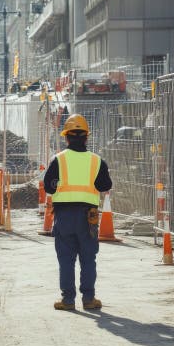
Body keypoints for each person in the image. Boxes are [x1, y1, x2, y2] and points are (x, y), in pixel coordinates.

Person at [43, 114, 112, 310]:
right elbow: (106, 185)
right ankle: (89, 299)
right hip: (88, 216)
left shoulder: (58, 160)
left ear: (66, 137)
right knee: (88, 258)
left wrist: (59, 184)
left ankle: (68, 300)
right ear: (86, 137)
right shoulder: (97, 161)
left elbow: (49, 187)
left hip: (64, 216)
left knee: (66, 259)